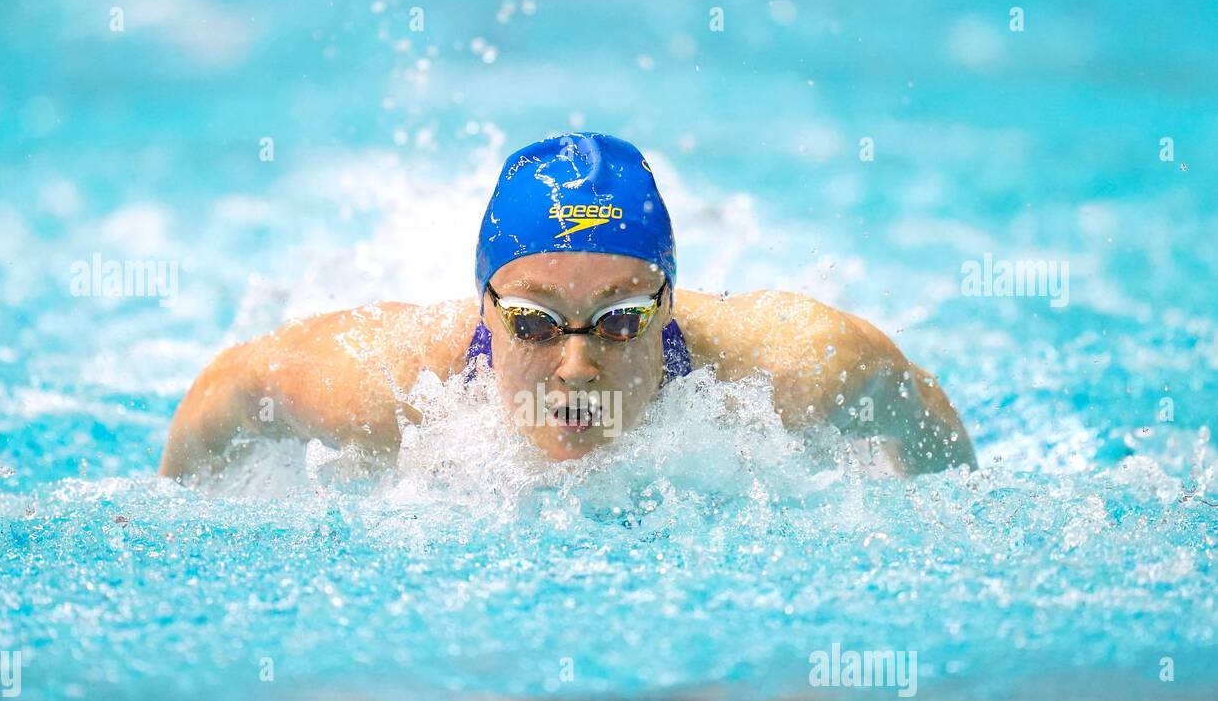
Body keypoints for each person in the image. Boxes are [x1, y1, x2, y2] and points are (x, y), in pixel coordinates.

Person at [159, 132, 975, 481]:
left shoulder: (792, 366)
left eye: (621, 320)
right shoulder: (384, 390)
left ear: (668, 307)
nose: (577, 366)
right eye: (535, 325)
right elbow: (231, 389)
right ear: (486, 311)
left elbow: (916, 418)